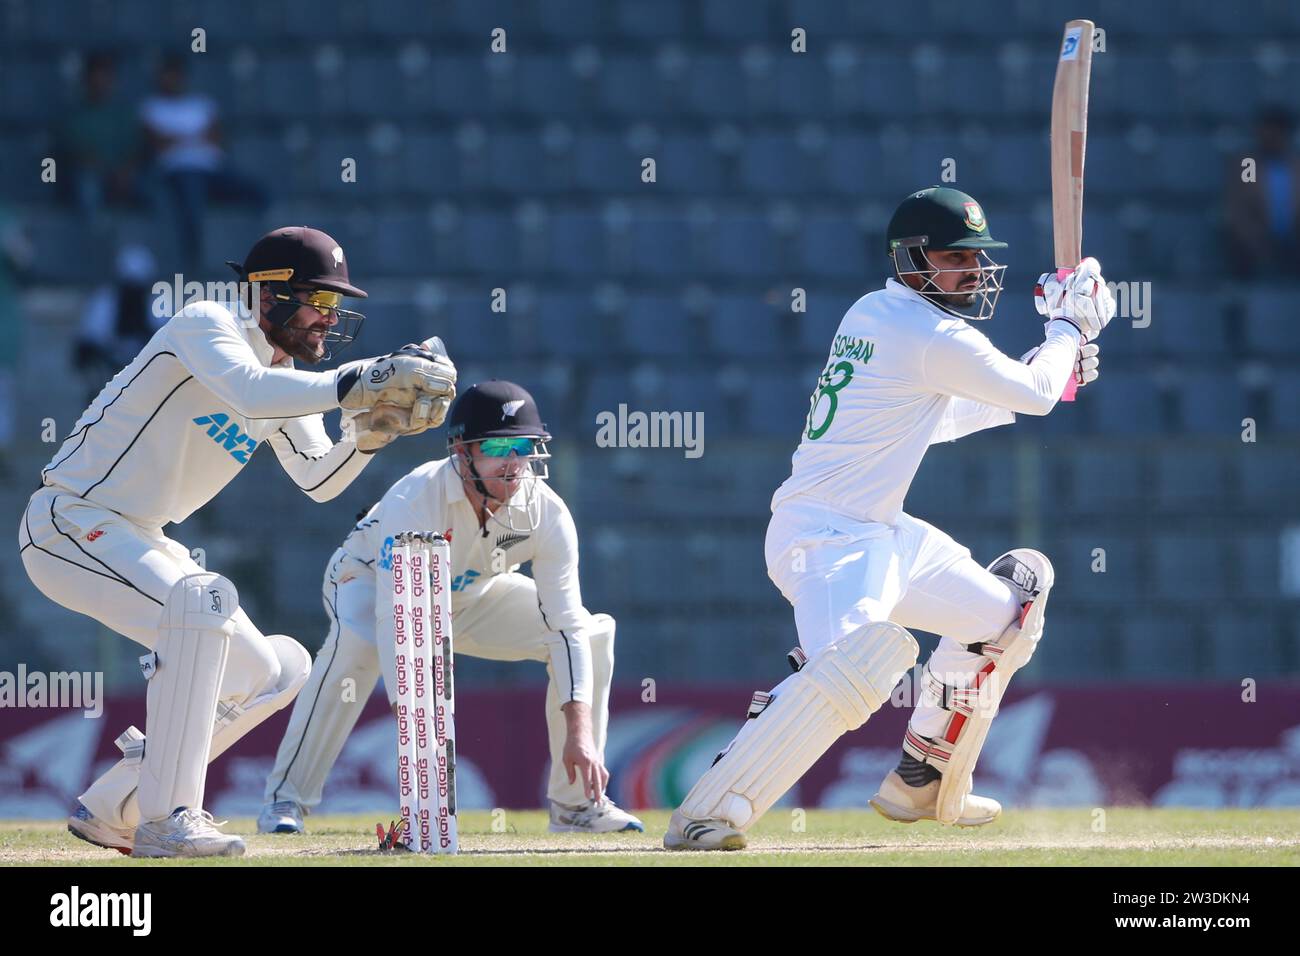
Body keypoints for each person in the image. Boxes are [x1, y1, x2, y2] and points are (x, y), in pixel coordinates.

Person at [664, 186, 1113, 850]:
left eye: (977, 257)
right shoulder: (927, 332)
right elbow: (1034, 397)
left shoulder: (879, 314)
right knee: (856, 668)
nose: (974, 270)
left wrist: (1050, 367)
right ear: (912, 259)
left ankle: (923, 776)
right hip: (827, 540)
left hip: (878, 530)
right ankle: (705, 814)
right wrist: (1067, 332)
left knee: (1007, 613)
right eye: (957, 257)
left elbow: (934, 418)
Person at [18, 225, 457, 858]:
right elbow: (251, 392)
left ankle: (117, 804)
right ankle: (169, 818)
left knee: (276, 669)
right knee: (204, 600)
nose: (327, 321)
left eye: (336, 308)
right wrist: (361, 379)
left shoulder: (285, 375)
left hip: (136, 536)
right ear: (271, 294)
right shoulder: (207, 324)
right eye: (319, 302)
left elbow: (317, 478)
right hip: (70, 520)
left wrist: (369, 436)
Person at [259, 380, 644, 837]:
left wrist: (579, 731)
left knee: (591, 631)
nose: (514, 462)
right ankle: (286, 799)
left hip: (471, 594)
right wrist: (422, 738)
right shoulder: (415, 500)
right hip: (368, 582)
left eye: (524, 445)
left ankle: (577, 805)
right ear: (462, 453)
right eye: (500, 446)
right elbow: (397, 622)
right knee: (357, 645)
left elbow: (564, 626)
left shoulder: (546, 511)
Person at [139, 54, 267, 268]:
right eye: (167, 75)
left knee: (257, 192)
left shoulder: (203, 104)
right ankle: (194, 262)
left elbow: (216, 138)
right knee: (191, 204)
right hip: (179, 171)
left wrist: (177, 137)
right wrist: (194, 136)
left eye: (175, 75)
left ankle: (264, 253)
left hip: (212, 169)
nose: (171, 80)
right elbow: (157, 143)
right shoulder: (151, 107)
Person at [72, 245, 166, 406]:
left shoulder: (159, 306)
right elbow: (83, 352)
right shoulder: (104, 304)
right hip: (108, 384)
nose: (133, 296)